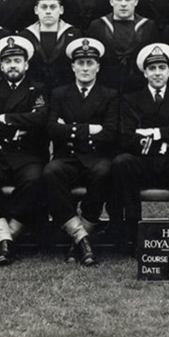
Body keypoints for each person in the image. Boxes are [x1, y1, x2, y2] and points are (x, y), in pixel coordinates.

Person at [111, 44, 169, 248]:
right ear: (145, 73)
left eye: (162, 68)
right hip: (142, 164)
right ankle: (134, 232)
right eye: (152, 68)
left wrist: (151, 133)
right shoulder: (131, 99)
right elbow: (127, 137)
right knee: (122, 162)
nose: (157, 73)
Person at [43, 38, 119, 266]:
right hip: (68, 156)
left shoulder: (110, 95)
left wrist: (70, 127)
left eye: (90, 63)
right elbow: (51, 128)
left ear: (98, 66)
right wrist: (89, 129)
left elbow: (110, 132)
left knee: (104, 172)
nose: (85, 68)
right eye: (81, 63)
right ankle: (83, 238)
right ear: (73, 67)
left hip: (97, 158)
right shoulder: (59, 93)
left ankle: (77, 238)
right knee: (50, 172)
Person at [0, 36, 49, 266]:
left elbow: (40, 119)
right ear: (1, 66)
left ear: (26, 64)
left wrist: (5, 118)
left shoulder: (38, 88)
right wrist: (19, 126)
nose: (13, 65)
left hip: (29, 155)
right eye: (8, 61)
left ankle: (3, 239)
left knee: (35, 181)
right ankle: (6, 239)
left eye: (17, 60)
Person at [86, 0, 160, 93]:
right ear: (111, 1)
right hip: (106, 88)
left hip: (138, 88)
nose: (123, 4)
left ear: (136, 1)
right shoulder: (97, 26)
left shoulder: (148, 26)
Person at [18, 0, 81, 91]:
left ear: (61, 10)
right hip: (33, 93)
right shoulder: (25, 36)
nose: (48, 11)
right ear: (36, 10)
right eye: (43, 7)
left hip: (65, 92)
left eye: (53, 7)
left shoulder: (74, 35)